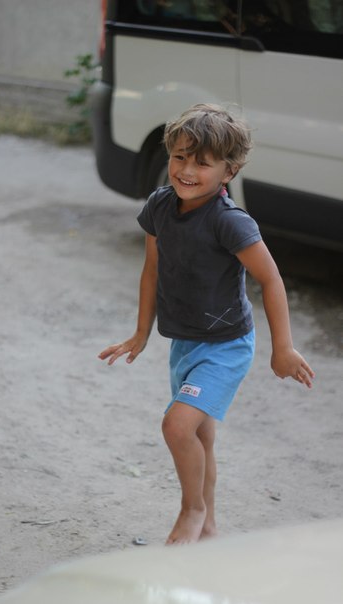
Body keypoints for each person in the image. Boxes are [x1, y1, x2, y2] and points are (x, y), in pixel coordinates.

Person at [98, 103, 315, 545]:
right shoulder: (159, 206)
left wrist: (283, 347)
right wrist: (140, 334)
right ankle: (210, 528)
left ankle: (192, 509)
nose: (186, 170)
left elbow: (271, 279)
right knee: (200, 438)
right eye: (179, 157)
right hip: (184, 344)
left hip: (226, 346)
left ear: (228, 171)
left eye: (202, 162)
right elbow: (151, 270)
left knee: (177, 426)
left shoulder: (229, 221)